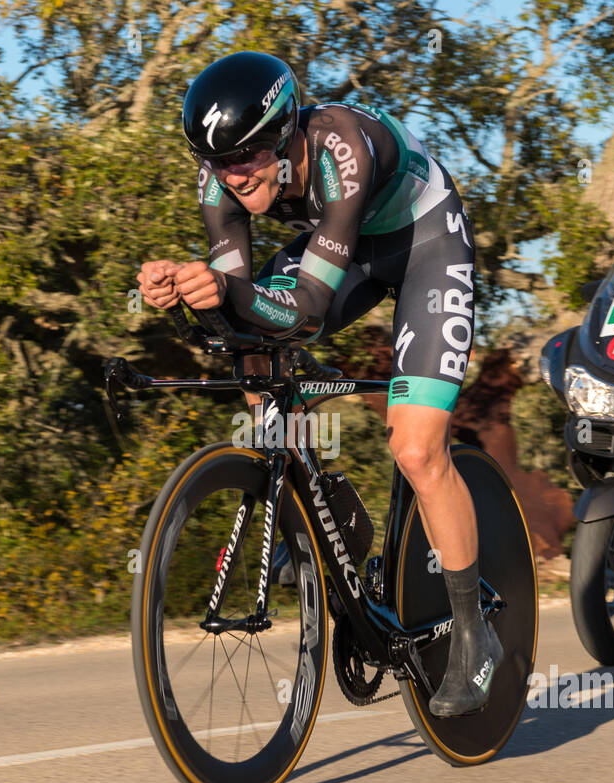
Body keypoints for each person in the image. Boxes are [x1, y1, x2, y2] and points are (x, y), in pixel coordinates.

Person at [137, 52, 496, 717]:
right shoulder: (220, 183)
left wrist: (225, 290)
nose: (231, 177)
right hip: (344, 248)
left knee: (416, 449)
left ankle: (475, 632)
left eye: (245, 160)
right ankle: (305, 494)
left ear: (283, 136)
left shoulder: (340, 150)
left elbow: (302, 310)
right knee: (249, 349)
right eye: (217, 163)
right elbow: (240, 313)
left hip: (422, 244)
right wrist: (187, 294)